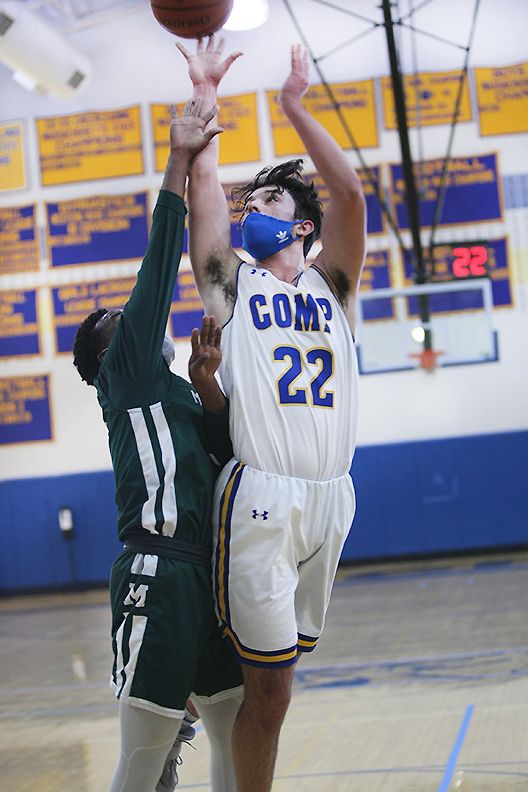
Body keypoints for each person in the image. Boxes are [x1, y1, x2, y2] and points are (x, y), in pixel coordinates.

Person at [177, 38, 367, 792]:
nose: (250, 209)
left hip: (332, 499)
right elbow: (202, 192)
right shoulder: (235, 286)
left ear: (302, 228)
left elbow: (350, 193)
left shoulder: (332, 288)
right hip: (261, 497)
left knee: (272, 687)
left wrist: (295, 105)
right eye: (248, 203)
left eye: (268, 202)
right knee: (272, 692)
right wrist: (205, 98)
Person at [72, 98, 243, 792]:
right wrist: (179, 158)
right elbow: (160, 263)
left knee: (234, 733)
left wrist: (208, 389)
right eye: (118, 318)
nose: (133, 314)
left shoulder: (170, 389)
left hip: (207, 576)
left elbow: (224, 457)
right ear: (107, 354)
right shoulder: (126, 373)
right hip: (156, 572)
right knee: (145, 757)